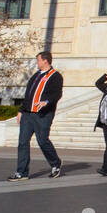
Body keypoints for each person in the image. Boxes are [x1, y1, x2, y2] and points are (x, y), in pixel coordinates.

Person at [8, 51, 63, 181]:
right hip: (28, 114)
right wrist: (21, 110)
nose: (37, 63)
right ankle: (22, 172)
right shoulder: (35, 76)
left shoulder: (55, 76)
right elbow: (29, 94)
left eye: (38, 60)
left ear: (45, 61)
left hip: (43, 115)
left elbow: (57, 93)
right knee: (22, 142)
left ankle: (55, 163)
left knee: (42, 141)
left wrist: (46, 101)